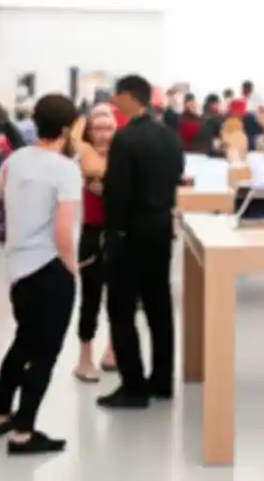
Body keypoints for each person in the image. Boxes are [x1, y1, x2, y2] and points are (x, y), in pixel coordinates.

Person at [0, 94, 81, 454]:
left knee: (23, 341)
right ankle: (23, 432)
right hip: (49, 269)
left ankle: (0, 414)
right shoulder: (65, 169)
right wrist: (71, 268)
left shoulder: (14, 159)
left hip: (17, 268)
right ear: (68, 127)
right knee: (45, 352)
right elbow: (63, 230)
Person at [98, 75, 185, 408]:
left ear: (130, 98)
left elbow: (116, 193)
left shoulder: (125, 140)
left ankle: (133, 384)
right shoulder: (169, 137)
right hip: (161, 229)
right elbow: (176, 175)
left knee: (121, 309)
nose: (114, 103)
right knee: (158, 306)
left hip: (129, 234)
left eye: (117, 97)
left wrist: (111, 232)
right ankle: (162, 381)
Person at [72, 104, 119, 381]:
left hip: (116, 231)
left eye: (109, 128)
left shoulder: (122, 156)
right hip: (92, 232)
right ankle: (84, 357)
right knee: (90, 297)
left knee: (117, 295)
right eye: (98, 129)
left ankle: (112, 350)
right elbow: (95, 178)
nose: (103, 135)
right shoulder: (83, 157)